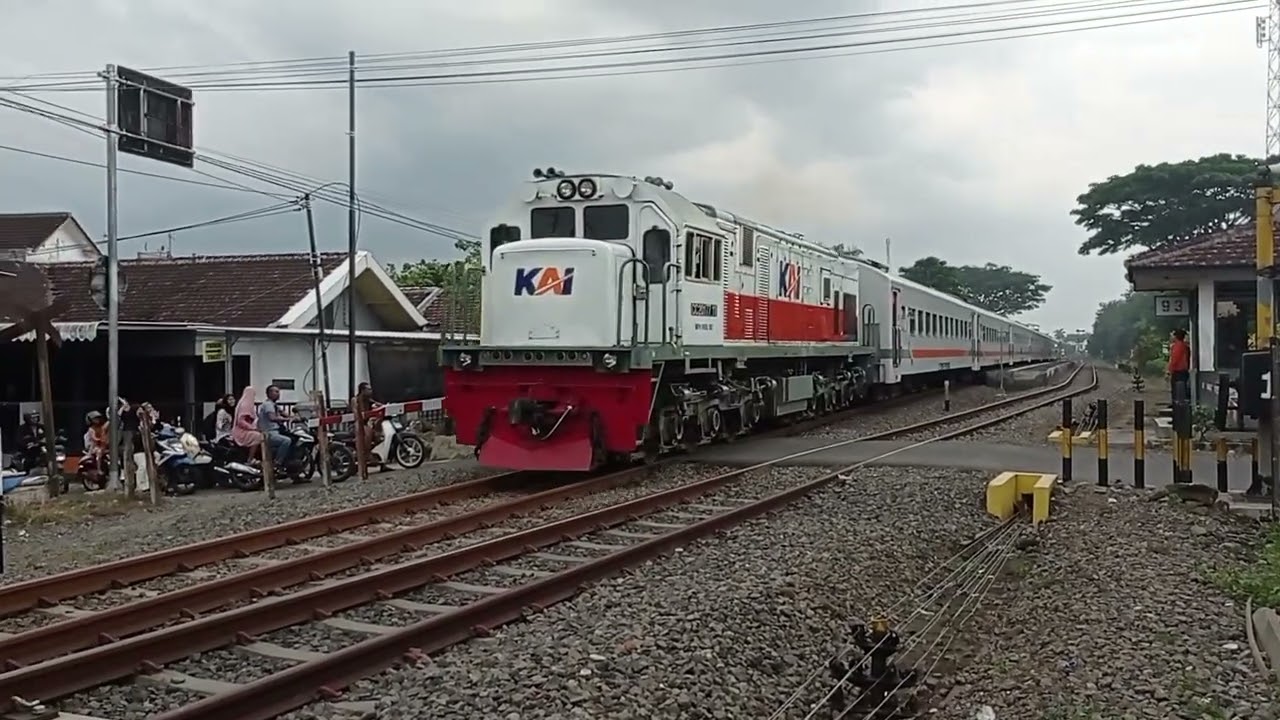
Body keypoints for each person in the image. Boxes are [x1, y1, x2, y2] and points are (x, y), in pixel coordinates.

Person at [257, 385, 293, 470]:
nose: (278, 394)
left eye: (278, 392)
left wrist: (294, 418)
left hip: (276, 431)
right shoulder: (268, 404)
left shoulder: (274, 405)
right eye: (276, 392)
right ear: (269, 393)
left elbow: (283, 413)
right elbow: (272, 418)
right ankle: (277, 463)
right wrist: (286, 419)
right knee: (286, 441)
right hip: (269, 432)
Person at [231, 386, 263, 461]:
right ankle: (250, 458)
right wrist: (253, 428)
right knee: (257, 436)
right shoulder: (245, 405)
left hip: (242, 429)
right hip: (241, 431)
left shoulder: (243, 403)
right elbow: (241, 421)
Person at [1167, 328, 1191, 403]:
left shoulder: (1177, 346)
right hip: (1184, 370)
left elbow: (1175, 359)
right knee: (1182, 389)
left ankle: (1176, 405)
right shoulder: (1185, 346)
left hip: (1178, 371)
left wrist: (1169, 370)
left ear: (1176, 336)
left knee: (1176, 390)